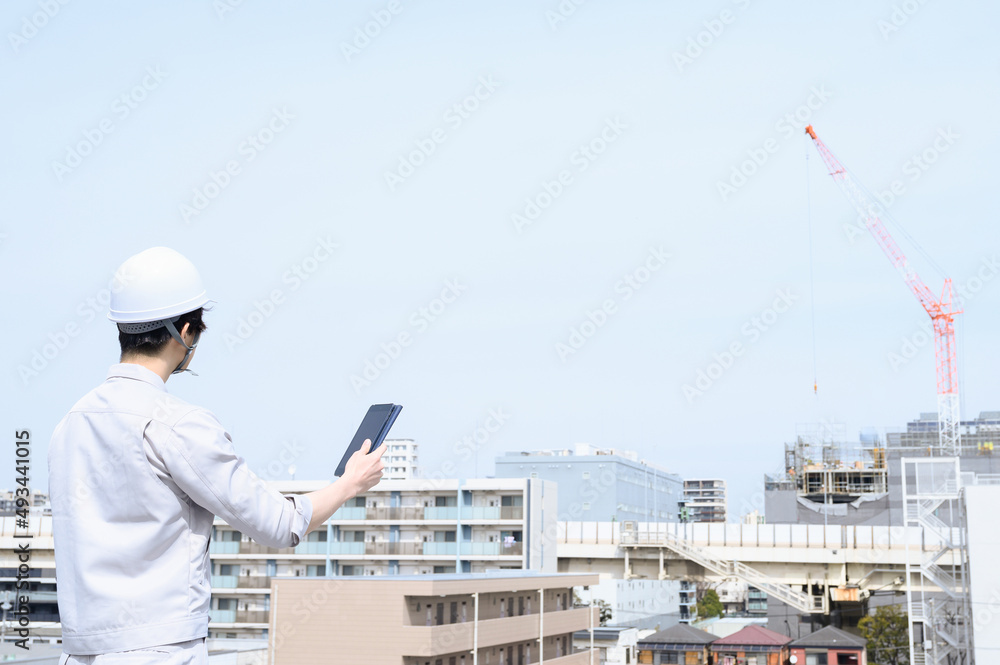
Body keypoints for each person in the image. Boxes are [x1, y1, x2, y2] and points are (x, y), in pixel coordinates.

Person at [48, 247, 385, 664]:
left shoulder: (69, 424)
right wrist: (350, 483)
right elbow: (279, 525)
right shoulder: (178, 424)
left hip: (79, 654)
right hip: (162, 652)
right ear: (185, 332)